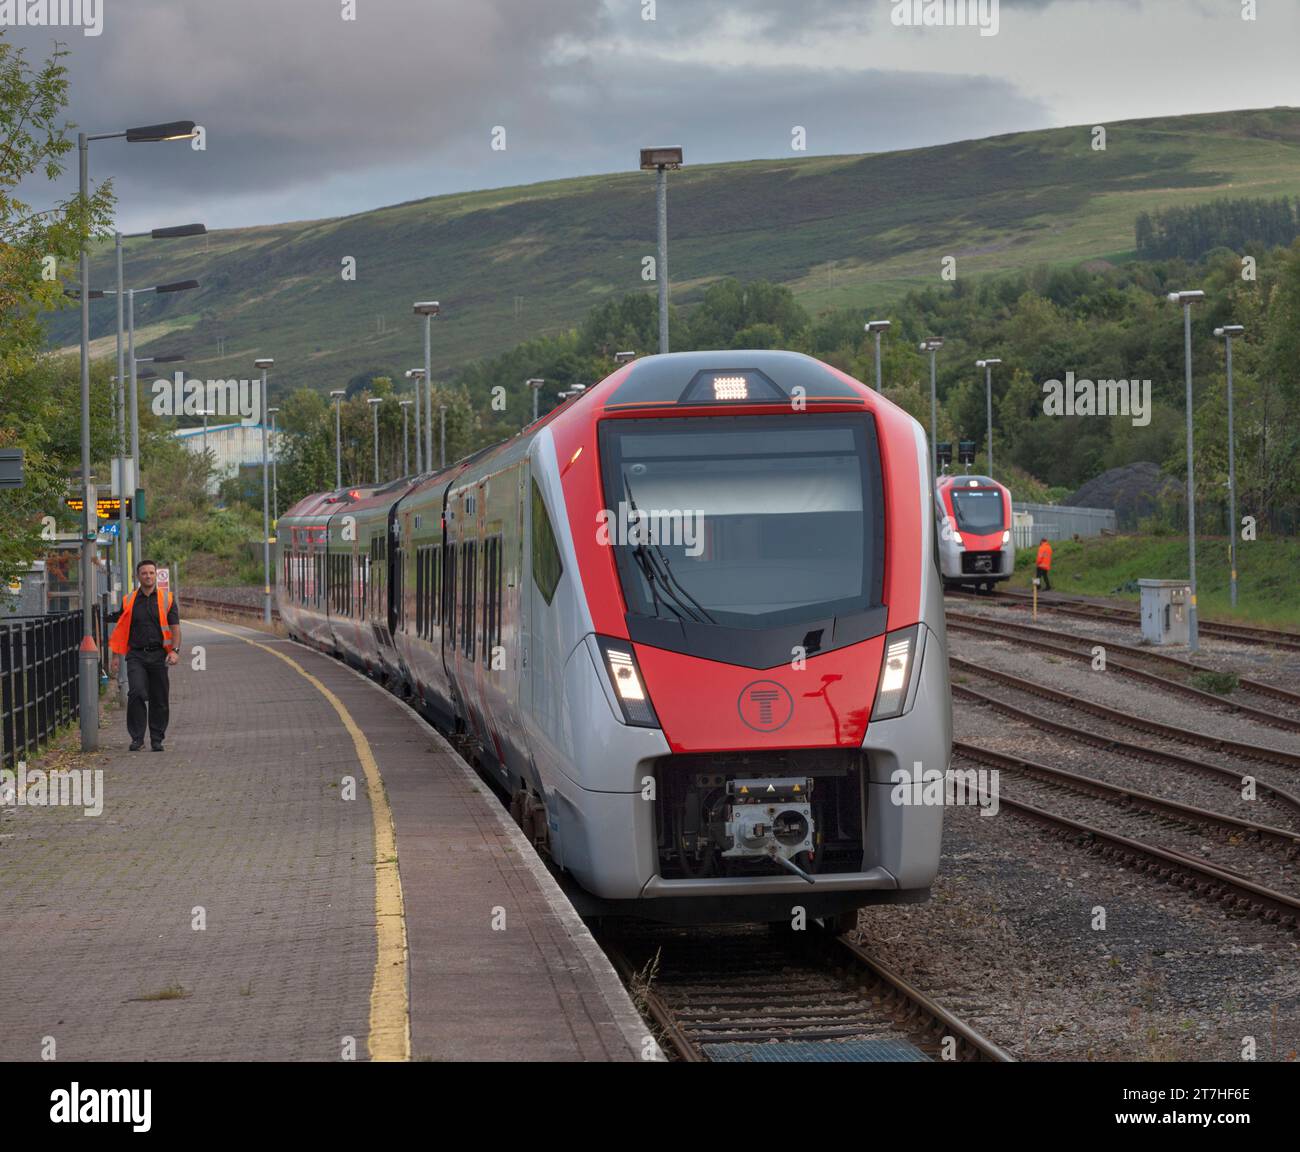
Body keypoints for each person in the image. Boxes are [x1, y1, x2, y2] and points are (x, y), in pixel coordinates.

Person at [108, 560, 181, 751]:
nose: (148, 576)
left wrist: (175, 651)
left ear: (156, 575)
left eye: (151, 573)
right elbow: (121, 629)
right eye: (144, 573)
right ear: (138, 576)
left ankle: (157, 739)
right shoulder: (129, 600)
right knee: (137, 692)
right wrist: (115, 656)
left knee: (159, 698)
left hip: (159, 655)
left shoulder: (167, 599)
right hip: (136, 655)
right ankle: (137, 738)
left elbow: (175, 629)